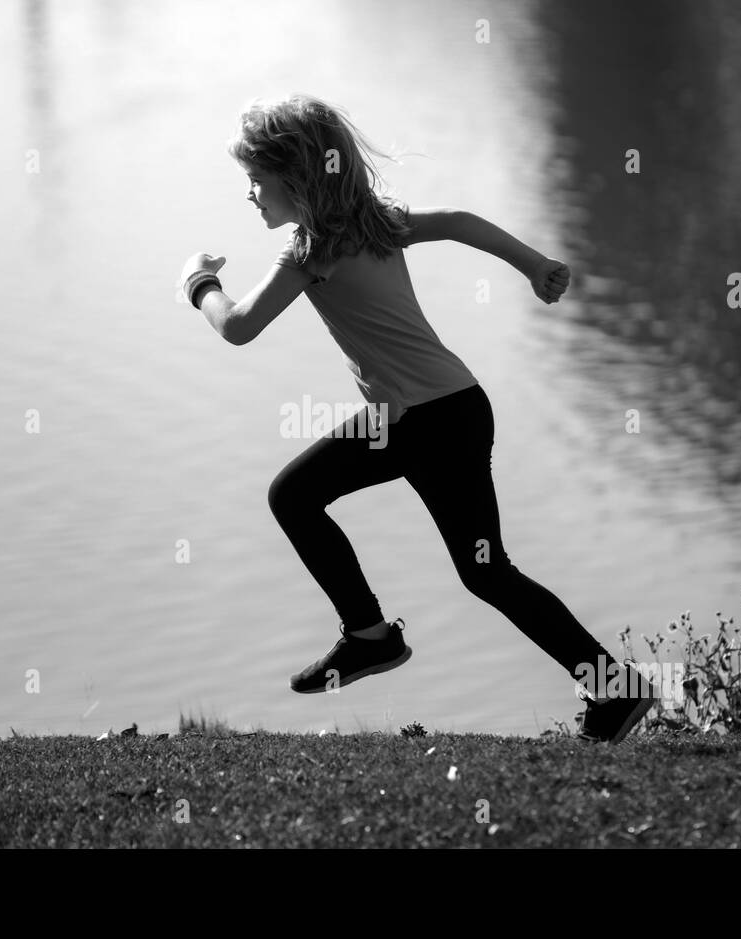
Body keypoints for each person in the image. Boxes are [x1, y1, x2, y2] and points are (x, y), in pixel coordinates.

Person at [178, 94, 655, 743]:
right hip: (458, 407)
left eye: (256, 182)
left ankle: (369, 635)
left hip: (419, 422)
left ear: (295, 178)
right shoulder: (373, 222)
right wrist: (533, 265)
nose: (250, 196)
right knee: (487, 571)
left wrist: (198, 284)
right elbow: (458, 219)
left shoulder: (311, 249)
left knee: (292, 496)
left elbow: (237, 327)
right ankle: (614, 687)